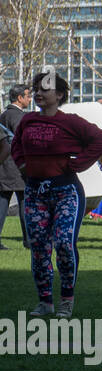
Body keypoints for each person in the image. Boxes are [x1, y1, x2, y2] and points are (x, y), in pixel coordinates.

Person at [11, 72, 102, 316]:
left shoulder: (71, 121)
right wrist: (23, 164)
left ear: (60, 95)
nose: (39, 93)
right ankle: (45, 301)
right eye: (36, 89)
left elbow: (101, 140)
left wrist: (79, 164)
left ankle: (66, 299)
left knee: (64, 243)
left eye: (45, 89)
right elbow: (16, 146)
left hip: (66, 192)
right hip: (35, 192)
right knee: (39, 247)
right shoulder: (27, 121)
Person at [0, 84, 29, 249]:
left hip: (3, 166)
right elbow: (23, 140)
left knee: (2, 204)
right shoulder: (18, 116)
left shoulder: (3, 115)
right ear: (20, 98)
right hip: (17, 168)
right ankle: (30, 240)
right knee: (26, 204)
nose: (30, 99)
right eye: (28, 96)